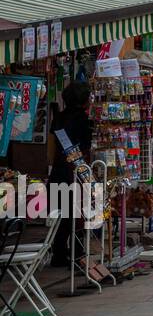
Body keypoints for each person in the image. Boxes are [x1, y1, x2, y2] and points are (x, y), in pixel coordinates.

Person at [48, 82, 94, 268]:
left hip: (59, 169)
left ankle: (58, 253)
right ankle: (77, 254)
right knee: (78, 215)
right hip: (76, 170)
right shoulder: (82, 120)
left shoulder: (58, 118)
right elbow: (85, 148)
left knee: (62, 215)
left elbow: (53, 148)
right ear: (84, 100)